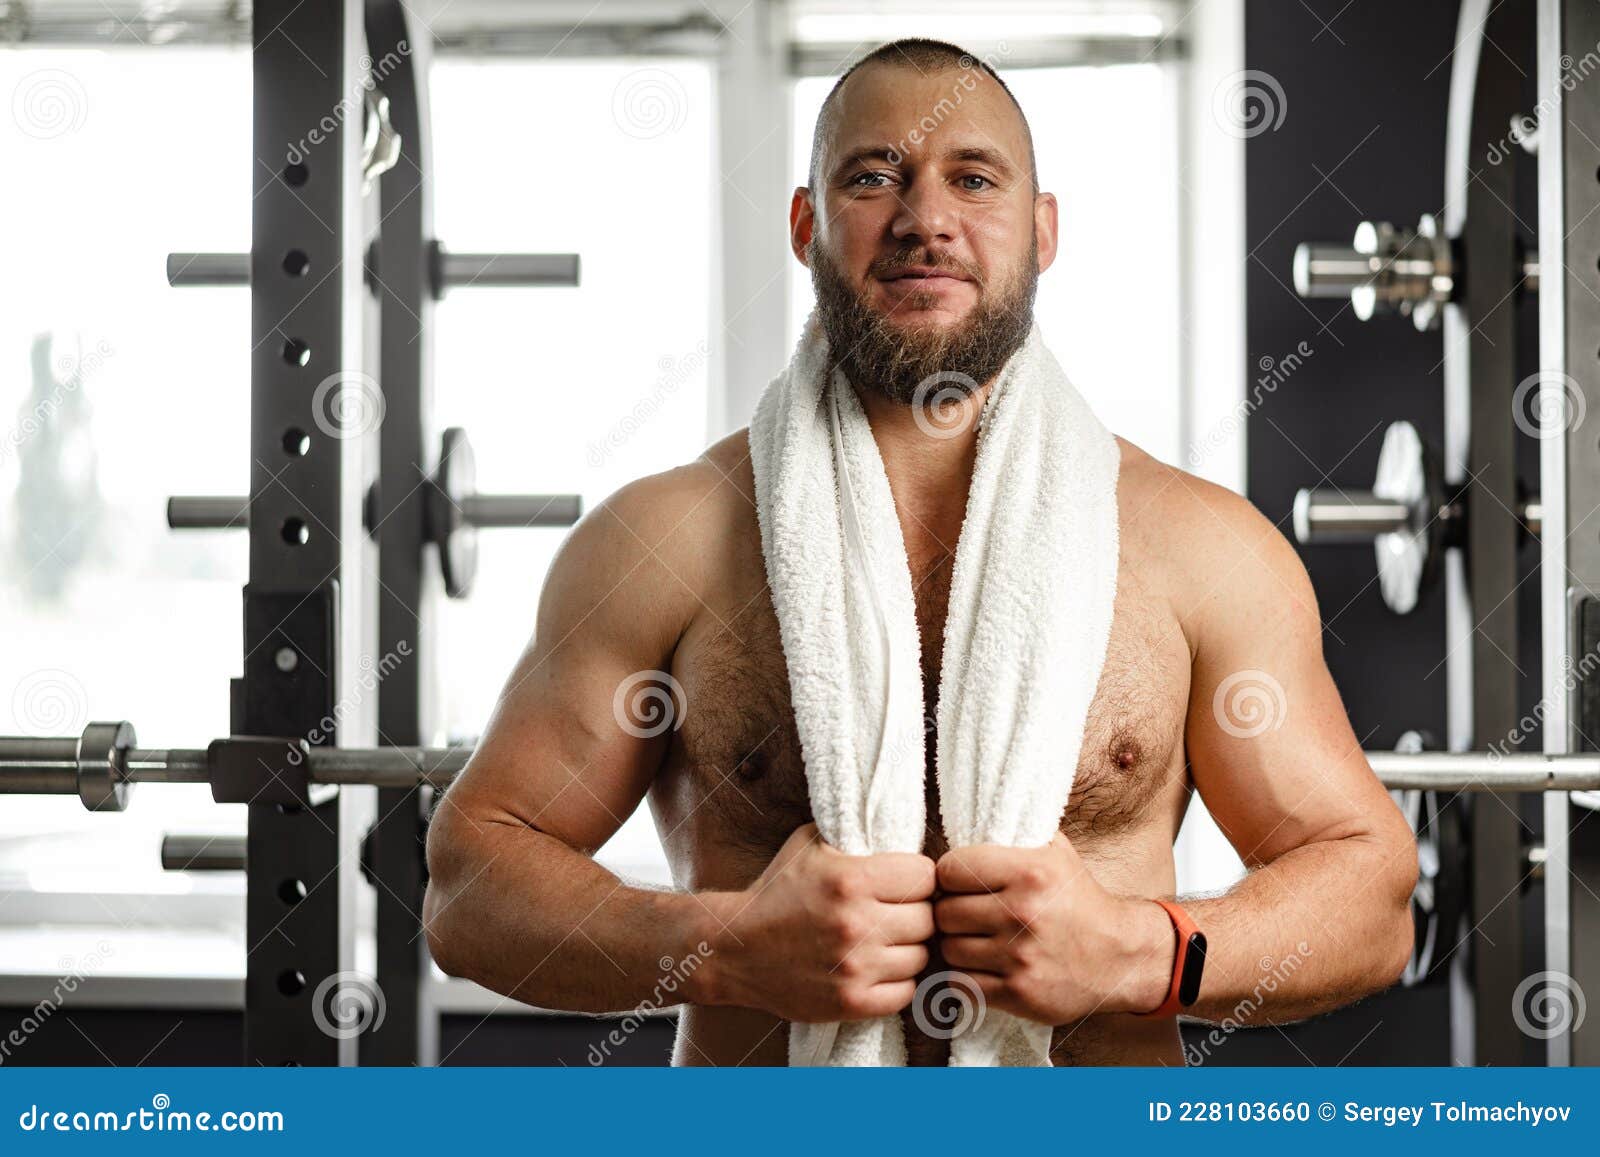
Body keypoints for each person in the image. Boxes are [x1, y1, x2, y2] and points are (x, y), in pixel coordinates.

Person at [422, 37, 1417, 1066]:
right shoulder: (663, 541)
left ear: (1042, 231)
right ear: (806, 225)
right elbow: (467, 886)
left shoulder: (1201, 547)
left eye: (973, 179)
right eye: (872, 176)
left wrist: (1138, 952)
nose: (924, 219)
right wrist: (726, 947)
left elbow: (1373, 898)